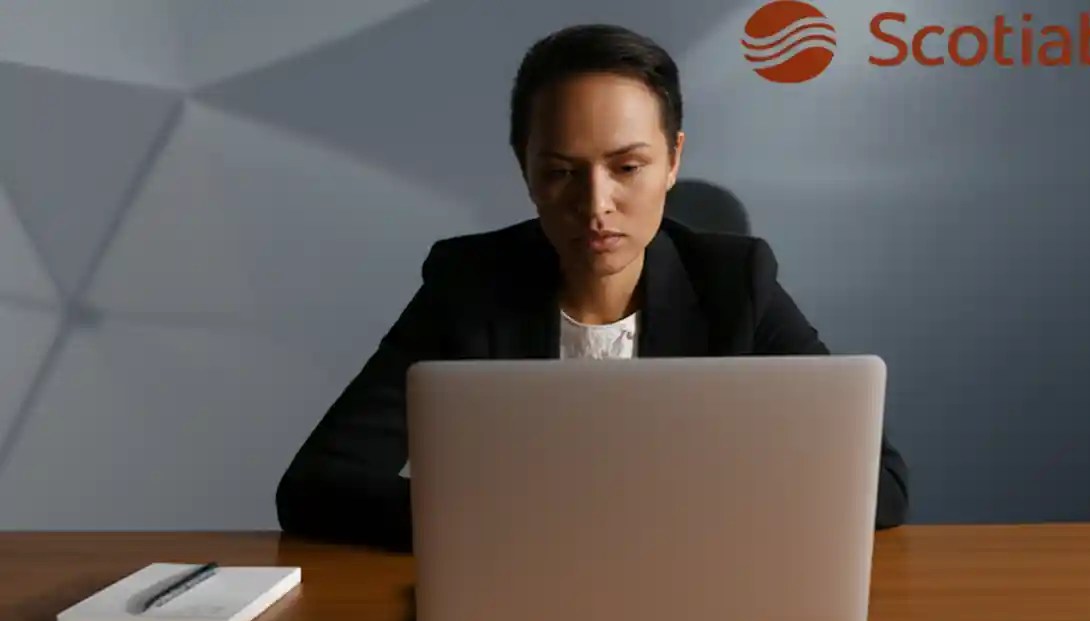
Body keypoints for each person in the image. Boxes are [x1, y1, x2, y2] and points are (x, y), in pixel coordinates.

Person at [276, 24, 909, 551]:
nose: (595, 205)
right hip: (523, 592)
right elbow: (317, 485)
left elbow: (880, 486)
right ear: (524, 167)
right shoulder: (468, 284)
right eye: (560, 173)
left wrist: (665, 517)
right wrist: (517, 525)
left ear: (674, 160)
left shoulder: (735, 282)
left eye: (627, 167)